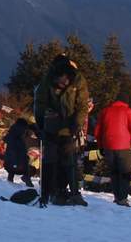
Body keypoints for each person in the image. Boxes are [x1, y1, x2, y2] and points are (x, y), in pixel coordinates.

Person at [34, 54, 89, 207]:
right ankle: (52, 192)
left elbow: (82, 106)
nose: (61, 83)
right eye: (58, 81)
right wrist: (41, 123)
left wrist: (75, 125)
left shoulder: (78, 80)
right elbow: (40, 102)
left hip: (70, 125)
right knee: (51, 160)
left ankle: (73, 193)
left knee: (69, 160)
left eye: (63, 80)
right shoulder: (47, 79)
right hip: (51, 125)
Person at [94, 92, 131, 206]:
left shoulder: (105, 111)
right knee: (124, 172)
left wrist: (100, 146)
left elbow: (97, 131)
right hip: (123, 146)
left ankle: (116, 196)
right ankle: (123, 198)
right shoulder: (128, 111)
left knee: (114, 172)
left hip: (108, 145)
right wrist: (129, 136)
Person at [3, 117, 36, 187]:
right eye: (24, 129)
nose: (25, 131)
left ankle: (10, 180)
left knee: (15, 165)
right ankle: (26, 178)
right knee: (32, 169)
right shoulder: (18, 140)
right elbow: (18, 154)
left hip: (8, 164)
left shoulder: (11, 136)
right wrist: (19, 163)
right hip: (17, 166)